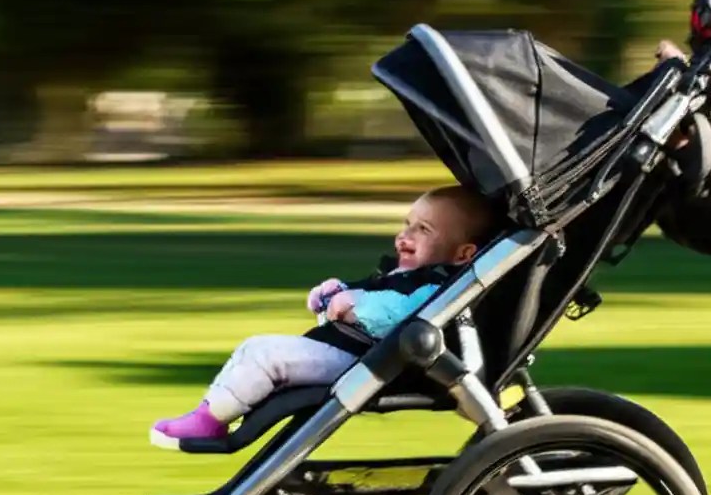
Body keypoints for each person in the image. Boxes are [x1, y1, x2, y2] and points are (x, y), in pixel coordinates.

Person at [149, 184, 498, 448]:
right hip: (355, 354)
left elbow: (399, 315)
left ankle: (211, 420)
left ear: (462, 254)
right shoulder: (404, 274)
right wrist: (337, 292)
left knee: (264, 354)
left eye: (424, 229)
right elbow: (368, 296)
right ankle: (214, 412)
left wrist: (355, 303)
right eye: (408, 224)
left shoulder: (435, 285)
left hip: (370, 364)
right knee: (257, 352)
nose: (405, 236)